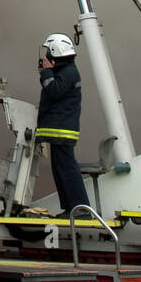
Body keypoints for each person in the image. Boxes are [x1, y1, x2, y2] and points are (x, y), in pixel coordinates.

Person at [35, 32, 91, 216]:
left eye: (48, 53)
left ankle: (80, 209)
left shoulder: (68, 72)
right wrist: (46, 74)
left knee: (67, 169)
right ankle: (71, 208)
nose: (46, 57)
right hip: (60, 129)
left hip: (63, 130)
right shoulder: (65, 70)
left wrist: (47, 73)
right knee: (60, 170)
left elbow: (54, 91)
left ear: (54, 51)